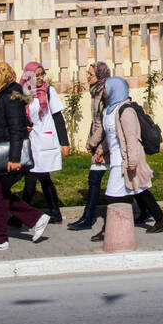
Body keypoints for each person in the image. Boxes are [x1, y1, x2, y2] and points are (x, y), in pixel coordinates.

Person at [0, 61, 50, 251]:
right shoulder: (2, 93)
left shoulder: (10, 95)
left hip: (9, 154)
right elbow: (3, 122)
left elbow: (17, 128)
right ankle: (35, 218)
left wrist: (14, 158)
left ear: (1, 74)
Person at [90, 77, 163, 241]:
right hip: (116, 156)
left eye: (106, 88)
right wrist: (100, 150)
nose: (104, 91)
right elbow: (110, 136)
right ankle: (160, 219)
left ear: (114, 89)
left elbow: (131, 138)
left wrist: (132, 163)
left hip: (125, 158)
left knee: (112, 195)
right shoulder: (109, 110)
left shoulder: (126, 111)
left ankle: (108, 230)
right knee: (138, 189)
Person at [20, 61, 69, 224]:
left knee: (34, 179)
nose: (40, 78)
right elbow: (20, 115)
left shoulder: (49, 92)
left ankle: (21, 216)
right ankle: (54, 212)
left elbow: (57, 117)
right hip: (31, 140)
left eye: (42, 74)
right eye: (36, 75)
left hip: (45, 140)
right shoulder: (23, 93)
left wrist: (64, 142)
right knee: (40, 178)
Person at [68, 62, 112, 230]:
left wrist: (96, 146)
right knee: (95, 180)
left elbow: (104, 124)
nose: (87, 77)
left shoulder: (104, 93)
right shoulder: (95, 92)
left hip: (106, 145)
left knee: (96, 180)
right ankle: (87, 217)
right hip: (100, 144)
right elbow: (95, 122)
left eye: (90, 74)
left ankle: (88, 219)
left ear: (99, 76)